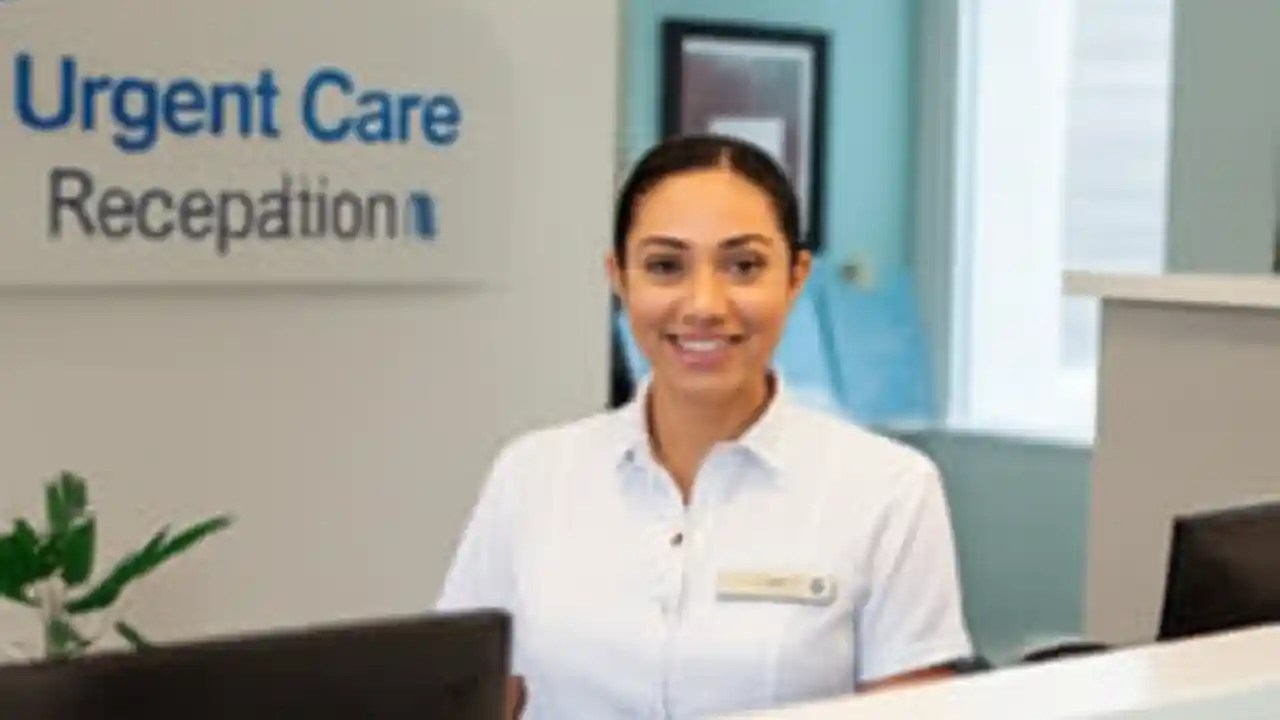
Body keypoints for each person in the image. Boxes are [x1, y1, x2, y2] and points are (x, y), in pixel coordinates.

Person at [436, 134, 974, 719]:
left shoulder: (889, 490)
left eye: (743, 266)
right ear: (619, 278)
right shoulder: (532, 476)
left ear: (795, 278)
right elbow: (465, 698)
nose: (704, 305)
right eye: (666, 266)